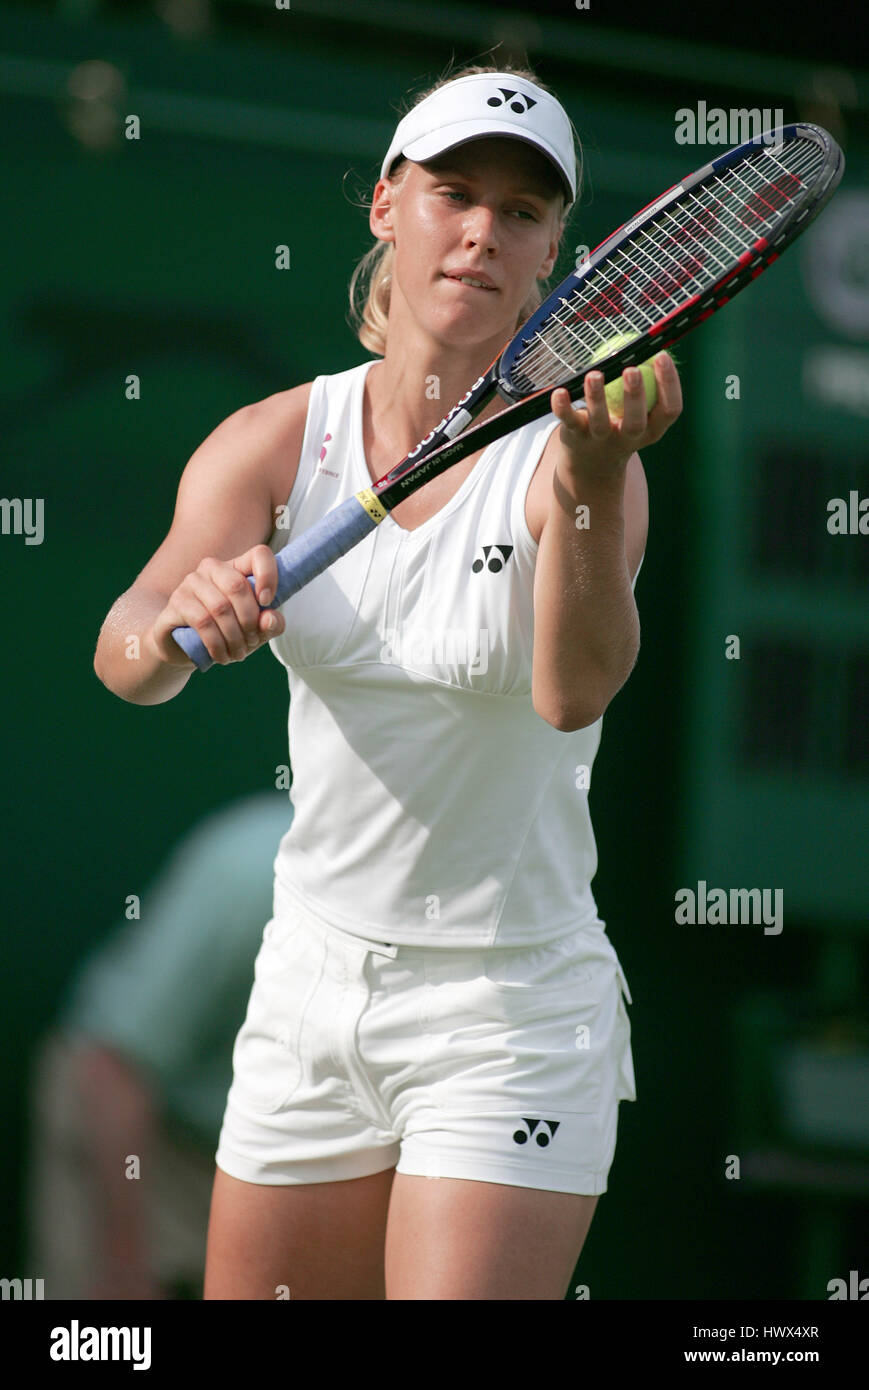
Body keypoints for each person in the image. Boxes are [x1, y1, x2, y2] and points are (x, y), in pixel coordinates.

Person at [93, 61, 683, 1300]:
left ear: (553, 249)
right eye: (452, 193)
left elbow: (574, 692)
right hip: (307, 983)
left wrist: (582, 482)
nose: (480, 231)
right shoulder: (271, 439)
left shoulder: (581, 463)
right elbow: (125, 657)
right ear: (384, 207)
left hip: (506, 1013)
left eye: (521, 213)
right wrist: (178, 621)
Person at [26, 791, 293, 1299]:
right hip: (130, 1113)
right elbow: (112, 1066)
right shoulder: (246, 874)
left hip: (255, 1150)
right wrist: (124, 1268)